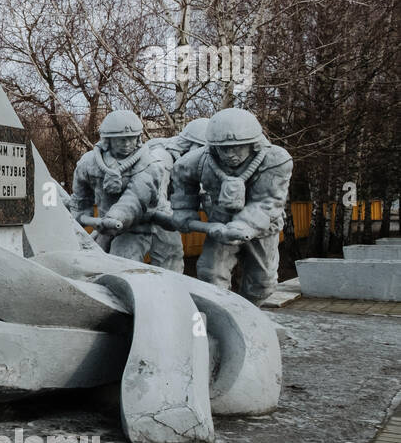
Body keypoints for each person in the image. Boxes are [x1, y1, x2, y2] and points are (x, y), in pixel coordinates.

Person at [170, 108, 293, 305]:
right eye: (223, 148)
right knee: (211, 274)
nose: (230, 154)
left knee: (262, 283)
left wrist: (243, 226)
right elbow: (182, 175)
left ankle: (250, 312)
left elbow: (268, 202)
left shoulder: (276, 160)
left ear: (252, 144)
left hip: (261, 228)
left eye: (236, 147)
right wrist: (184, 210)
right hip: (220, 225)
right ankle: (221, 315)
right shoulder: (201, 160)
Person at [66, 110, 168, 262]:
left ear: (138, 138)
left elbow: (134, 200)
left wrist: (113, 219)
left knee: (122, 260)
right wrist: (86, 220)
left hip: (138, 228)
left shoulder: (150, 165)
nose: (126, 144)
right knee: (84, 262)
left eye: (131, 139)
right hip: (104, 227)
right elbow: (80, 203)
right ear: (108, 140)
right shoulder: (88, 163)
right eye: (120, 140)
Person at [143, 117, 210, 273]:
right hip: (145, 211)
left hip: (157, 212)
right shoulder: (161, 158)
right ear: (193, 146)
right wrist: (178, 220)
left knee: (171, 253)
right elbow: (156, 198)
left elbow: (198, 191)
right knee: (170, 252)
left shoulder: (186, 161)